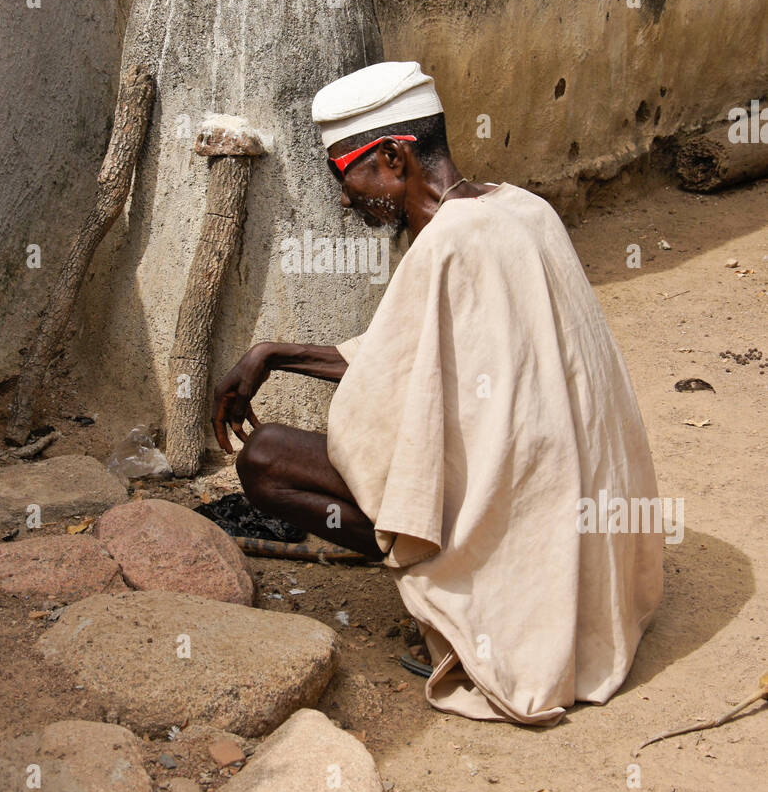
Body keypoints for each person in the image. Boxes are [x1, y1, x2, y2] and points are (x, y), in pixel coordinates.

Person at [211, 61, 663, 725]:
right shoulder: (518, 207)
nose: (344, 198)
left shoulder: (449, 245)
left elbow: (390, 398)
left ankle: (470, 611)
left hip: (527, 525)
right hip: (593, 535)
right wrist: (273, 354)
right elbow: (414, 366)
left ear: (393, 158)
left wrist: (287, 368)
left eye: (345, 175)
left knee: (266, 460)